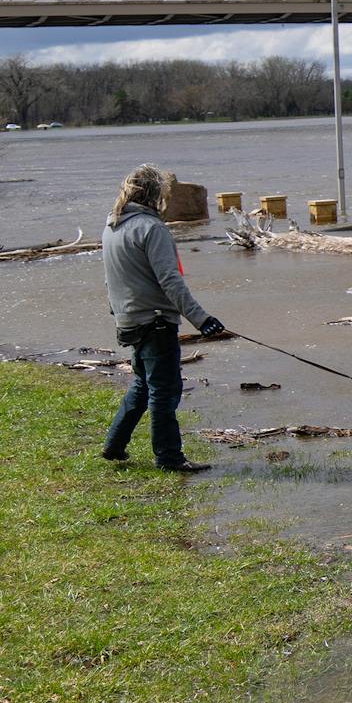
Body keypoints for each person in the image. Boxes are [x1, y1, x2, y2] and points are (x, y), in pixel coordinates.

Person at [99, 164, 227, 472]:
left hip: (129, 321)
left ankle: (114, 445)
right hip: (155, 322)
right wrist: (201, 319)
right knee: (164, 391)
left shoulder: (112, 225)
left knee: (143, 385)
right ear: (157, 195)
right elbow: (170, 280)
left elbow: (110, 280)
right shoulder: (151, 228)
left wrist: (118, 315)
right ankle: (169, 458)